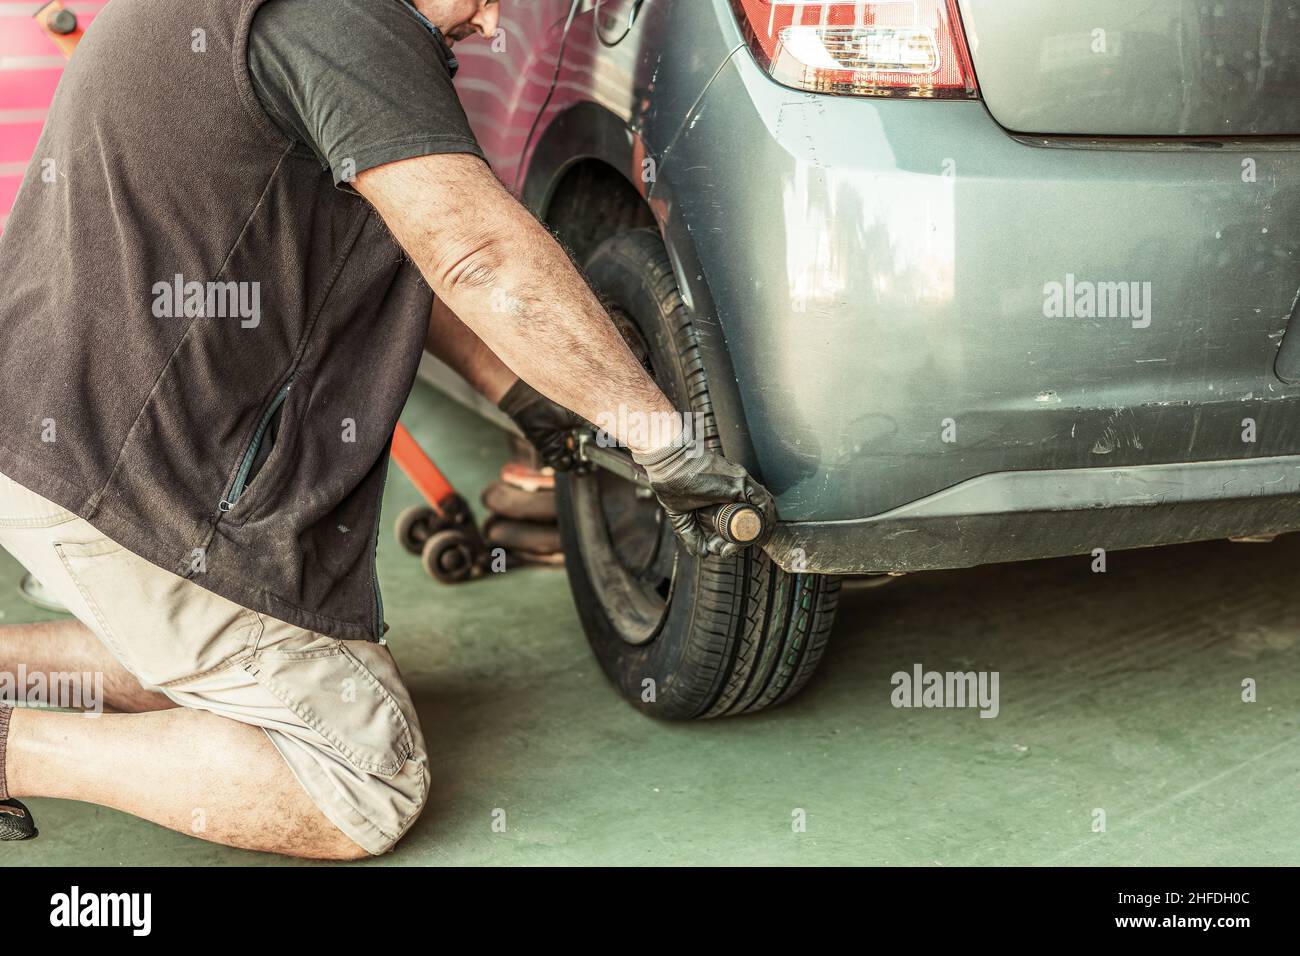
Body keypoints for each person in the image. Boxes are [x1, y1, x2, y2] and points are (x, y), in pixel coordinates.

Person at [0, 0, 774, 856]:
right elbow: (474, 253)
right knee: (363, 776)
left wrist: (526, 396)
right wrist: (662, 440)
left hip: (49, 441)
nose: (489, 26)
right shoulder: (342, 21)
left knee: (261, 674)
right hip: (130, 487)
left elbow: (412, 239)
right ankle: (12, 752)